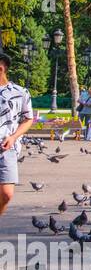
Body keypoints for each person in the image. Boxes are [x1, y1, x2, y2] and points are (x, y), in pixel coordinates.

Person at [0, 52, 35, 220]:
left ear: (1, 69)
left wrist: (13, 137)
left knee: (7, 194)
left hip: (7, 147)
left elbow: (28, 119)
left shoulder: (20, 92)